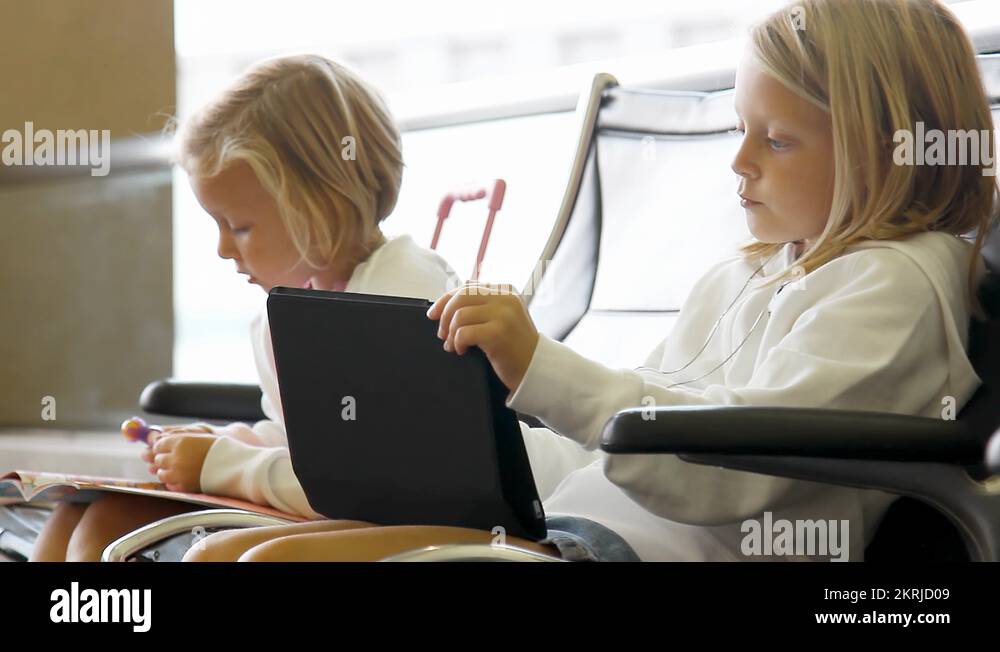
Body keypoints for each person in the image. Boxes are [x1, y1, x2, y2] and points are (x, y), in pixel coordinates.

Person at [189, 0, 997, 562]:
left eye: (777, 141)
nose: (739, 162)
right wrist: (503, 441)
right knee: (239, 553)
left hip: (633, 551)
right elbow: (624, 435)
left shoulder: (892, 288)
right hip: (576, 529)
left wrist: (540, 368)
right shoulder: (751, 274)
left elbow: (729, 464)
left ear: (885, 146)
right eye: (739, 130)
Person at [30, 54, 460, 562]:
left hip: (388, 514)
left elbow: (378, 473)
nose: (222, 249)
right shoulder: (281, 318)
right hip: (316, 500)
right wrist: (225, 440)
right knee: (81, 518)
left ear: (319, 202)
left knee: (112, 530)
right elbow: (293, 437)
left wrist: (220, 464)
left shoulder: (399, 293)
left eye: (239, 227)